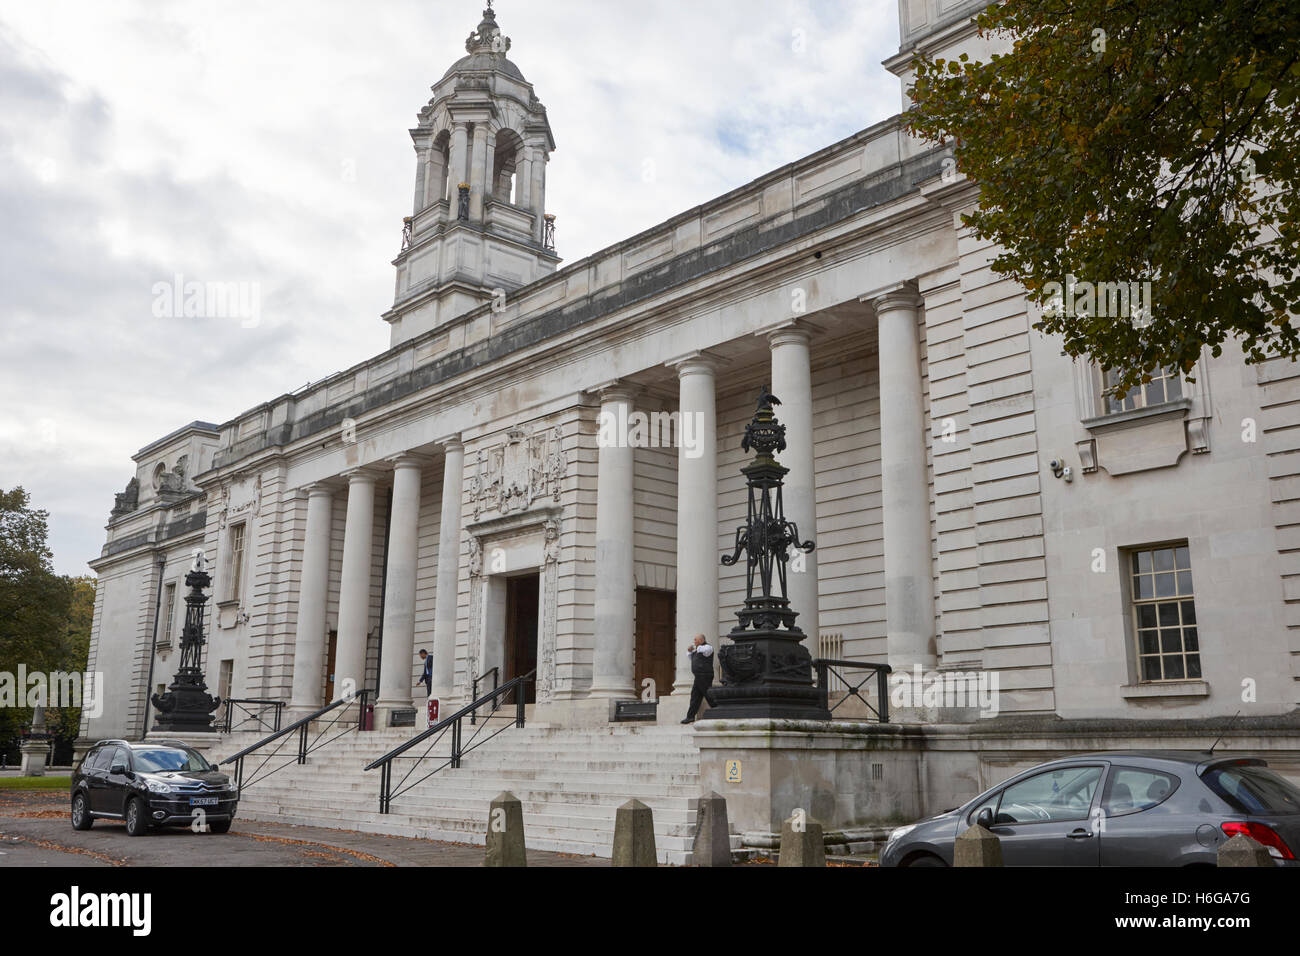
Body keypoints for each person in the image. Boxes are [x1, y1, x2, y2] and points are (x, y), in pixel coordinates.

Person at [682, 634, 715, 724]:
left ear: (701, 640)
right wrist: (690, 651)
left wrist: (696, 647)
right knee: (695, 696)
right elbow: (690, 657)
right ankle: (690, 717)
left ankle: (718, 709)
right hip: (698, 676)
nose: (694, 641)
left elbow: (704, 650)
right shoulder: (697, 650)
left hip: (705, 675)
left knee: (708, 694)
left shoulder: (707, 647)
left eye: (696, 640)